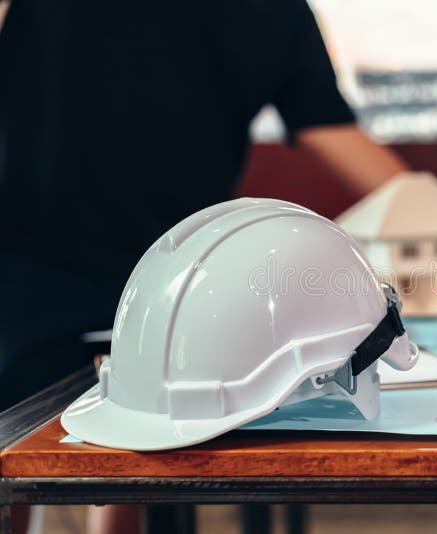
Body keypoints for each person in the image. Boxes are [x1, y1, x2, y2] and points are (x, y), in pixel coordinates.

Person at [0, 1, 407, 532]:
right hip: (42, 263)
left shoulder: (271, 11)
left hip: (185, 277)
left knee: (148, 452)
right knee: (19, 456)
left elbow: (325, 123)